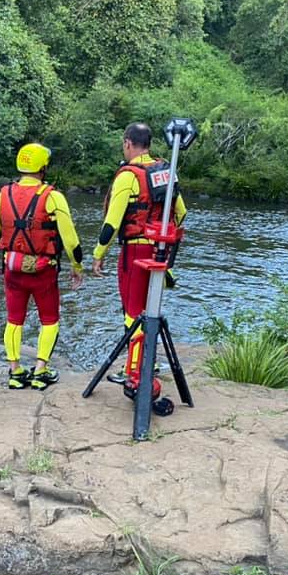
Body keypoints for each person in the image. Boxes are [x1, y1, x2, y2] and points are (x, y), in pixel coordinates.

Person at [91, 122, 187, 384]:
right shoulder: (165, 172)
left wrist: (98, 254)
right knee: (150, 308)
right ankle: (149, 362)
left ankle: (135, 369)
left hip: (134, 252)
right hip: (159, 251)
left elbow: (112, 223)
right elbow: (181, 213)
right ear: (149, 144)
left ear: (128, 143)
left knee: (132, 311)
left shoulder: (127, 176)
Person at [0, 143, 84, 390]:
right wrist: (77, 267)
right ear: (42, 168)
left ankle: (15, 371)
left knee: (14, 320)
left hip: (12, 270)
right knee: (49, 319)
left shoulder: (1, 196)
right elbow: (71, 240)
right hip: (43, 271)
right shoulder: (53, 197)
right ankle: (41, 370)